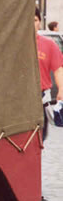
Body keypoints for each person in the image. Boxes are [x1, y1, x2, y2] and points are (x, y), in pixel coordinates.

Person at [35, 8, 63, 138]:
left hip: (40, 100)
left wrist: (61, 89)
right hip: (18, 100)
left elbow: (58, 70)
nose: (31, 23)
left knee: (40, 139)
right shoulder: (14, 44)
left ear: (40, 22)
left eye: (35, 20)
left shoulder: (49, 45)